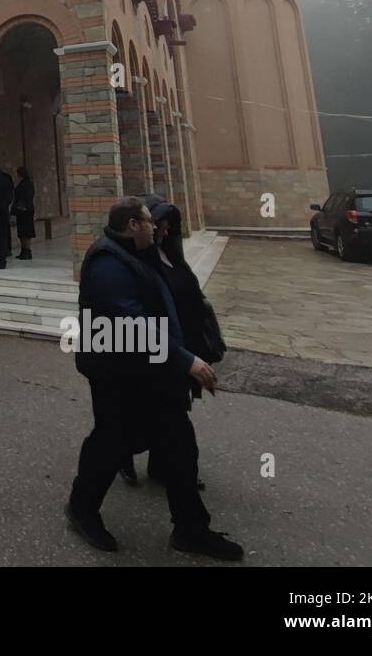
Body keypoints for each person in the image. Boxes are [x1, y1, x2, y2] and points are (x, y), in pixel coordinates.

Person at [65, 196, 241, 560]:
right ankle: (81, 511)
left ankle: (191, 530)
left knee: (179, 446)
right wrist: (186, 361)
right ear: (132, 225)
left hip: (151, 374)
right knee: (109, 445)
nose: (156, 227)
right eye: (149, 220)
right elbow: (133, 324)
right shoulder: (108, 265)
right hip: (119, 375)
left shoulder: (138, 254)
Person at [120, 194, 224, 490]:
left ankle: (164, 467)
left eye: (167, 226)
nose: (163, 231)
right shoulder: (135, 262)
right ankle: (119, 462)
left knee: (170, 412)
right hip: (156, 351)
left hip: (180, 346)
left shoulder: (169, 254)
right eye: (158, 224)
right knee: (144, 412)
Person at [13, 166, 36, 260]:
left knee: (24, 231)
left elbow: (21, 197)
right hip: (28, 210)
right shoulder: (29, 183)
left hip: (23, 211)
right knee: (26, 231)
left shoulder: (23, 184)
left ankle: (25, 251)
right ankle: (26, 250)